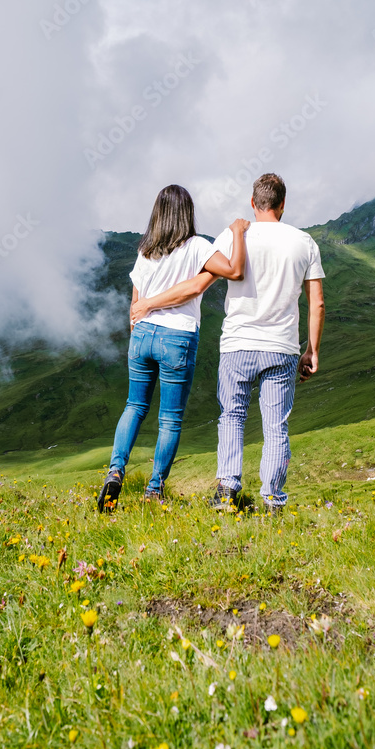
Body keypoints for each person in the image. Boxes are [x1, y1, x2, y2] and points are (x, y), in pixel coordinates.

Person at [130, 173, 325, 512]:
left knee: (231, 416)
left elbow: (200, 280)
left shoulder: (231, 235)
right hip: (282, 347)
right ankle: (273, 500)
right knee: (275, 425)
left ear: (253, 203)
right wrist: (312, 350)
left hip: (237, 343)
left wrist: (149, 302)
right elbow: (317, 302)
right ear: (282, 205)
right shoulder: (304, 242)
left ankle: (227, 491)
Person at [97, 184, 249, 512]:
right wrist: (238, 232)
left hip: (142, 335)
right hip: (176, 337)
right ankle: (154, 489)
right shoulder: (197, 247)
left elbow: (135, 303)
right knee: (170, 419)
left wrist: (139, 326)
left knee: (134, 406)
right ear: (187, 213)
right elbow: (235, 270)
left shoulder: (146, 249)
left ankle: (115, 472)